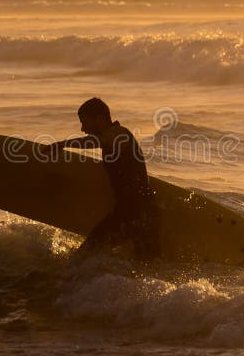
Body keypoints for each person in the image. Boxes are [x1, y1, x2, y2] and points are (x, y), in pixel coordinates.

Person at [45, 98, 160, 259]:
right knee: (141, 263)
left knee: (84, 257)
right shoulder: (112, 141)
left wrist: (62, 144)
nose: (83, 128)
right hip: (132, 212)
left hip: (136, 213)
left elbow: (99, 141)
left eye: (85, 122)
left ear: (100, 119)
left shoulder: (120, 134)